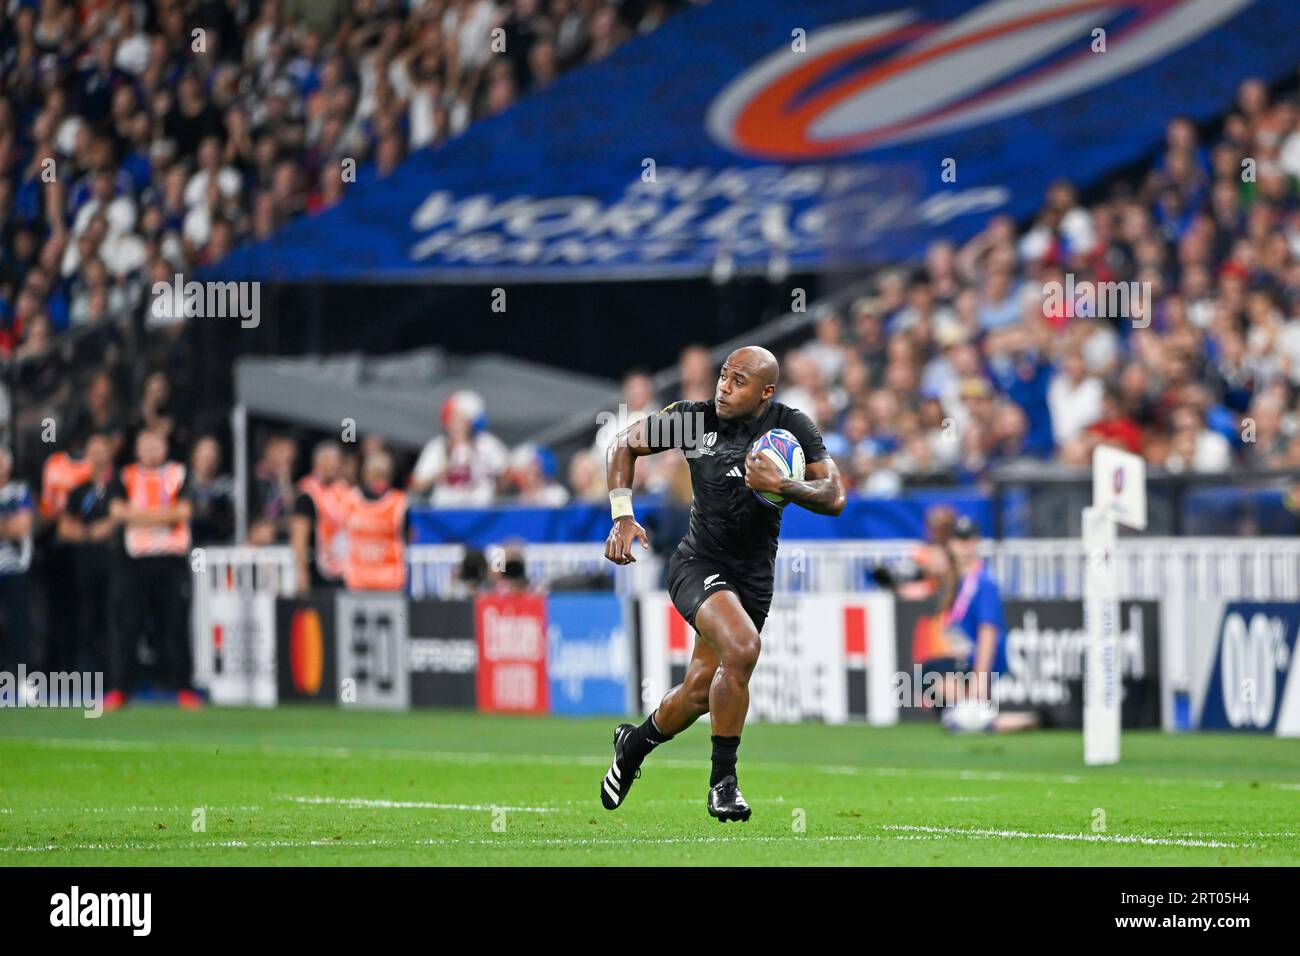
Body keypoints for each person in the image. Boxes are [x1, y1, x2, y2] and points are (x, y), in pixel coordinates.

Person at [599, 346, 845, 822]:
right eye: (723, 376)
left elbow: (834, 496)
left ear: (766, 392)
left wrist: (783, 484)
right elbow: (622, 445)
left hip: (753, 579)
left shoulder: (792, 426)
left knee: (696, 692)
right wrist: (622, 515)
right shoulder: (692, 420)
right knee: (743, 647)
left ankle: (634, 744)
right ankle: (723, 783)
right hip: (697, 564)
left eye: (738, 381)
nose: (724, 387)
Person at [109, 430, 198, 707]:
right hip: (135, 561)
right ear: (136, 449)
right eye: (145, 444)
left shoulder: (178, 473)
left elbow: (183, 512)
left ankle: (183, 687)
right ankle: (120, 688)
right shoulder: (125, 475)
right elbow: (116, 512)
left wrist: (139, 517)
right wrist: (163, 516)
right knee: (128, 626)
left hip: (172, 561)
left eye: (156, 443)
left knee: (176, 625)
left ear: (165, 446)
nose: (151, 450)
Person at [942, 516, 1036, 733]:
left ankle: (983, 717)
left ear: (976, 542)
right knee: (930, 679)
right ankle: (972, 716)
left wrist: (979, 678)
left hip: (981, 660)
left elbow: (988, 632)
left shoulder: (984, 582)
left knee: (931, 676)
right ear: (951, 544)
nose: (964, 546)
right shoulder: (957, 581)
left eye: (968, 540)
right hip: (966, 658)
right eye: (959, 540)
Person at [57, 433, 121, 704]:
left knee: (114, 621)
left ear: (109, 453)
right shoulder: (78, 490)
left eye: (101, 449)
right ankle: (94, 682)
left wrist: (109, 527)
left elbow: (123, 516)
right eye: (91, 449)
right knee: (89, 621)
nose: (96, 454)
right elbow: (64, 527)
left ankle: (118, 683)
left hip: (116, 564)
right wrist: (89, 532)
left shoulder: (120, 485)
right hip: (85, 564)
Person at [342, 451, 408, 591]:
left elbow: (411, 536)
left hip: (389, 581)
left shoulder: (399, 502)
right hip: (357, 581)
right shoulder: (350, 499)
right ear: (366, 474)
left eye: (384, 473)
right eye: (376, 472)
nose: (380, 478)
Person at [291, 441, 348, 593]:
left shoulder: (343, 491)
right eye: (331, 461)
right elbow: (299, 537)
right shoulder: (307, 495)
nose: (336, 466)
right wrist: (301, 572)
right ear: (319, 462)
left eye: (337, 462)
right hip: (317, 568)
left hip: (343, 569)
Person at [0, 448, 34, 681]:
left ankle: (24, 680)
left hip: (13, 567)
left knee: (19, 625)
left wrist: (8, 527)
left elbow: (20, 528)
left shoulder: (19, 491)